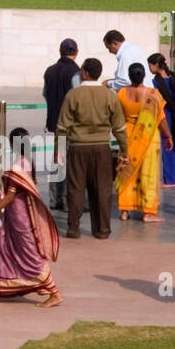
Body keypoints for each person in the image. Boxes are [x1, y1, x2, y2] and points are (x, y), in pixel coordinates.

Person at [0, 161, 63, 307]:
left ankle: (54, 292)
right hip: (15, 218)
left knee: (31, 258)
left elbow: (9, 198)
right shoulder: (27, 164)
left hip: (20, 221)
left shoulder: (17, 167)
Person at [56, 57, 129, 239]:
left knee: (76, 188)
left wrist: (60, 150)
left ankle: (74, 228)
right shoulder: (109, 95)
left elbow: (62, 127)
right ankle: (102, 229)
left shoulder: (73, 95)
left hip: (78, 148)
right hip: (102, 149)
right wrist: (124, 151)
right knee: (103, 190)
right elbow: (119, 127)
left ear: (86, 73)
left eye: (81, 70)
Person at [116, 63, 165, 222]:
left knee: (127, 171)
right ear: (144, 75)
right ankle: (148, 212)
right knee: (148, 173)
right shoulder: (153, 94)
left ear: (129, 76)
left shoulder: (122, 93)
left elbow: (117, 116)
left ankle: (124, 211)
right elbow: (161, 118)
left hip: (127, 136)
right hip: (149, 138)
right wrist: (169, 136)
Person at [42, 39, 81, 211]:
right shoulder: (75, 72)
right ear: (76, 52)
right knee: (68, 161)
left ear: (60, 51)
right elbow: (77, 97)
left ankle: (53, 199)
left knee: (58, 159)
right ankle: (66, 201)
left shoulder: (49, 71)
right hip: (70, 124)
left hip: (55, 122)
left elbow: (45, 93)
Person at [148, 53, 175, 188]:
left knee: (167, 145)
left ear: (155, 65)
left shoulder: (156, 82)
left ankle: (170, 179)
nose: (149, 67)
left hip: (165, 115)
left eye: (150, 64)